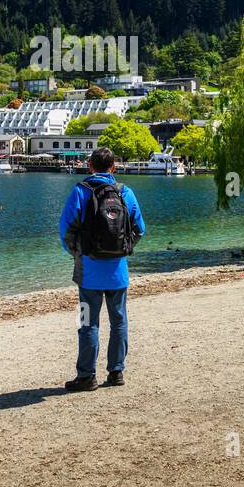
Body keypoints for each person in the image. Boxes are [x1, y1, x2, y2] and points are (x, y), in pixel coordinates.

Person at [59, 147, 145, 391]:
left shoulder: (81, 192)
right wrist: (123, 249)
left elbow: (65, 231)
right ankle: (116, 372)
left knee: (87, 323)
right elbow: (140, 229)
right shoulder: (125, 192)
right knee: (119, 321)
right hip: (118, 272)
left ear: (90, 166)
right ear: (114, 167)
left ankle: (86, 376)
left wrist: (78, 253)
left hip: (89, 274)